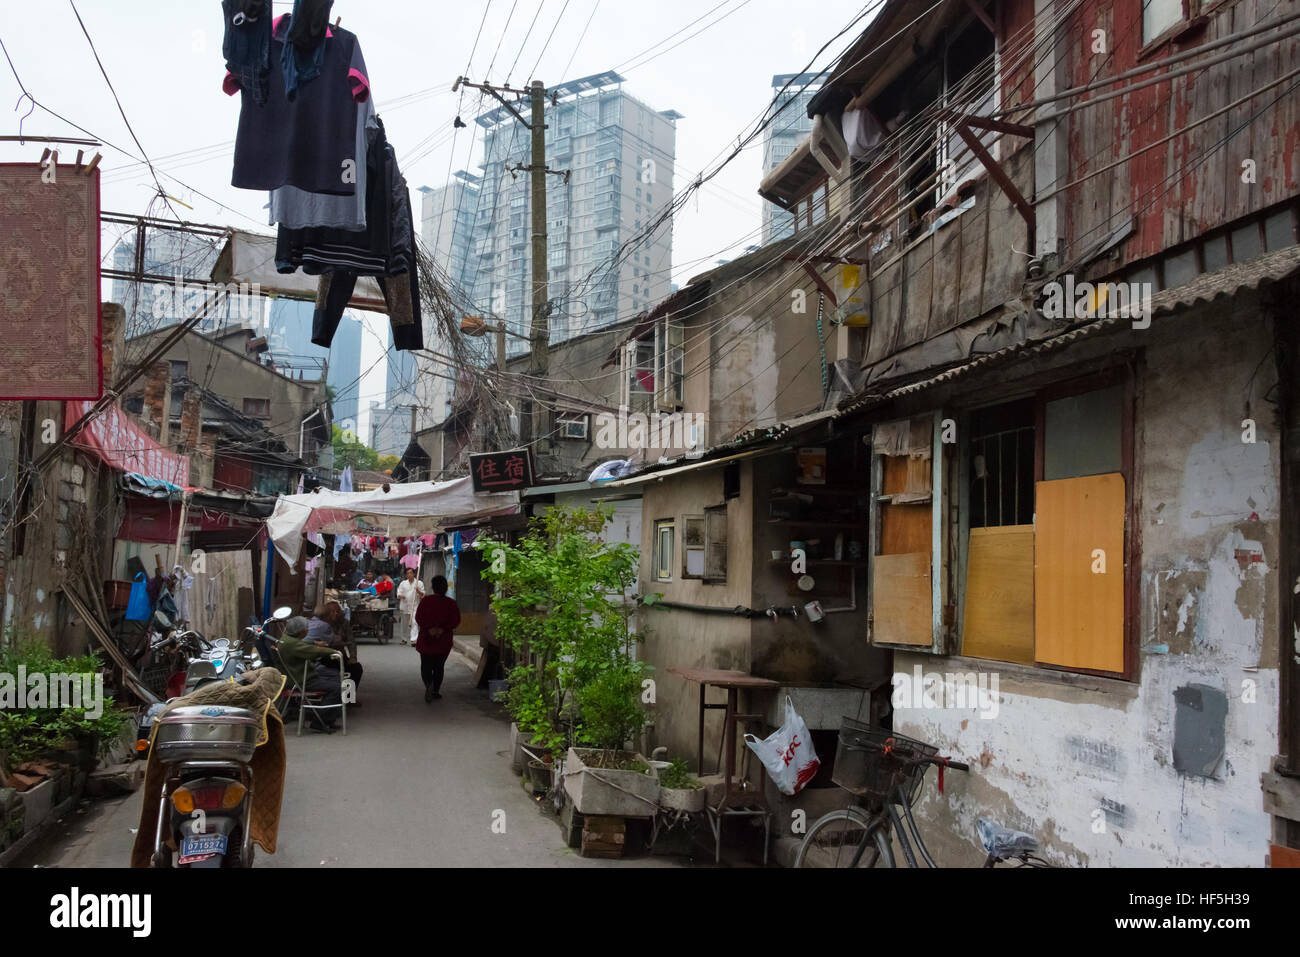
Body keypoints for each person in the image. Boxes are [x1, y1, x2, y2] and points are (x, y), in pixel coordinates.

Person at [276, 616, 343, 732]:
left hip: (298, 677)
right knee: (337, 688)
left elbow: (303, 645)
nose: (307, 630)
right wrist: (334, 652)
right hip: (302, 680)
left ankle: (327, 719)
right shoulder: (292, 644)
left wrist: (313, 642)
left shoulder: (286, 639)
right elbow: (314, 651)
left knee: (333, 680)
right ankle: (320, 722)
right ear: (301, 631)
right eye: (306, 628)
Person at [414, 575, 460, 703]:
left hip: (426, 639)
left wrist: (429, 628)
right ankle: (435, 690)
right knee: (439, 667)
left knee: (426, 666)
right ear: (445, 588)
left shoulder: (426, 601)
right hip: (443, 640)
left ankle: (428, 685)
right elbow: (456, 621)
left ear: (433, 587)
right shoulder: (451, 603)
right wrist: (442, 629)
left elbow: (419, 617)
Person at [306, 601, 363, 696]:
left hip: (338, 655)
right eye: (335, 611)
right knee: (335, 673)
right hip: (324, 657)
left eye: (339, 611)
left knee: (356, 668)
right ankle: (336, 696)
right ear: (330, 613)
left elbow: (351, 641)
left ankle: (348, 698)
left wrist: (353, 656)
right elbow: (334, 641)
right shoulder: (322, 624)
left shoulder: (344, 623)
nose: (338, 613)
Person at [395, 568, 425, 645]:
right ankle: (404, 639)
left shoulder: (419, 583)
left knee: (415, 622)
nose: (409, 575)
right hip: (404, 605)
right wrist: (401, 596)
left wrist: (418, 591)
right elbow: (398, 593)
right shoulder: (403, 583)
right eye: (407, 573)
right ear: (406, 575)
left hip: (415, 606)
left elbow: (423, 595)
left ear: (414, 574)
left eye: (411, 573)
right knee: (404, 624)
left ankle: (413, 640)